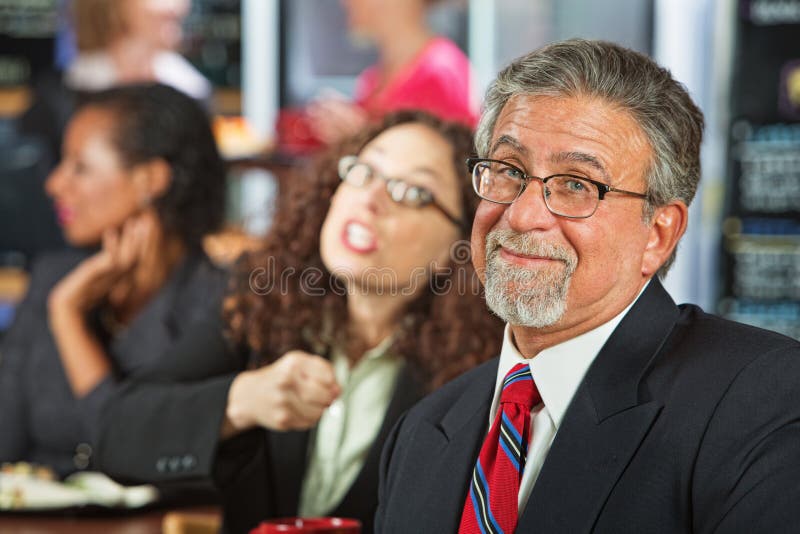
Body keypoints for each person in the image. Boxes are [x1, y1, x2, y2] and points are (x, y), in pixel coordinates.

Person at [376, 39, 800, 534]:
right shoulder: (420, 432)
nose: (522, 215)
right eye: (509, 170)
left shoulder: (762, 401)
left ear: (658, 234)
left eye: (576, 184)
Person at [93, 110, 503, 534]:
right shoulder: (261, 308)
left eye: (413, 192)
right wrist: (241, 400)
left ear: (459, 245)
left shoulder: (478, 373)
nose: (370, 198)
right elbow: (113, 434)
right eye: (363, 172)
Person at [0, 84, 227, 477]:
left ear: (150, 179)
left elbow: (140, 449)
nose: (54, 184)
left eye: (80, 167)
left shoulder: (216, 299)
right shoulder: (52, 276)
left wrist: (68, 318)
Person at [306, 0, 477, 145]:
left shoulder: (440, 73)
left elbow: (453, 163)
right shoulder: (372, 78)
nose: (346, 2)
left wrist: (361, 138)